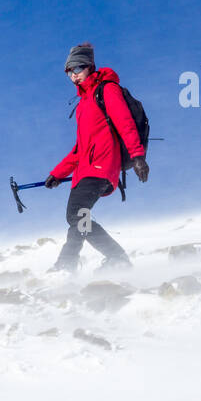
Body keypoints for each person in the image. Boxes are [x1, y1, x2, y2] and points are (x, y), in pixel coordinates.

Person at [45, 42, 149, 272]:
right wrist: (57, 173)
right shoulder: (83, 104)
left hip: (102, 166)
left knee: (76, 214)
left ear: (90, 67)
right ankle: (115, 259)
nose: (74, 75)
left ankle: (68, 264)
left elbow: (125, 123)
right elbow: (79, 149)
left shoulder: (107, 89)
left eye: (78, 69)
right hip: (86, 170)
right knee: (78, 218)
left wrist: (138, 156)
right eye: (69, 71)